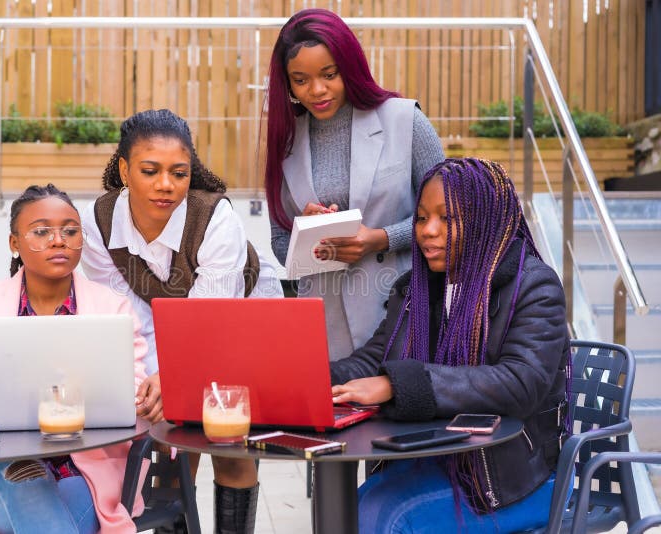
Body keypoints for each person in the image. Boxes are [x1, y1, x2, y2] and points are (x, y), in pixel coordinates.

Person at [330, 158, 571, 532]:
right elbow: (377, 356)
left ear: (486, 220)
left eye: (447, 219)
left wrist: (399, 385)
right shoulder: (418, 288)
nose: (428, 231)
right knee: (340, 516)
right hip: (434, 462)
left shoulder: (533, 288)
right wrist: (313, 378)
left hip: (514, 480)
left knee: (380, 517)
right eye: (422, 218)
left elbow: (521, 382)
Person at [80, 109, 283, 534]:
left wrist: (172, 377)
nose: (165, 185)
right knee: (172, 445)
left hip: (238, 321)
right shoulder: (98, 223)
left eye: (179, 172)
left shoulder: (215, 217)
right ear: (124, 169)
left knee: (230, 446)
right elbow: (124, 315)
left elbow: (207, 316)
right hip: (165, 332)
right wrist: (153, 379)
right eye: (150, 171)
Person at [0, 184, 149, 534]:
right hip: (0, 463)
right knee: (23, 479)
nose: (59, 240)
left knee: (30, 502)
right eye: (41, 232)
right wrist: (59, 397)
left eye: (70, 231)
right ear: (14, 243)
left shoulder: (112, 307)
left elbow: (132, 389)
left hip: (86, 472)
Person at [264, 8, 446, 360]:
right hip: (323, 325)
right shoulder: (286, 142)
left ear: (350, 66)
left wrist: (379, 239)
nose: (317, 90)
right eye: (300, 80)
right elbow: (279, 241)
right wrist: (308, 236)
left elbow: (453, 216)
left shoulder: (405, 121)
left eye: (329, 75)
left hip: (401, 312)